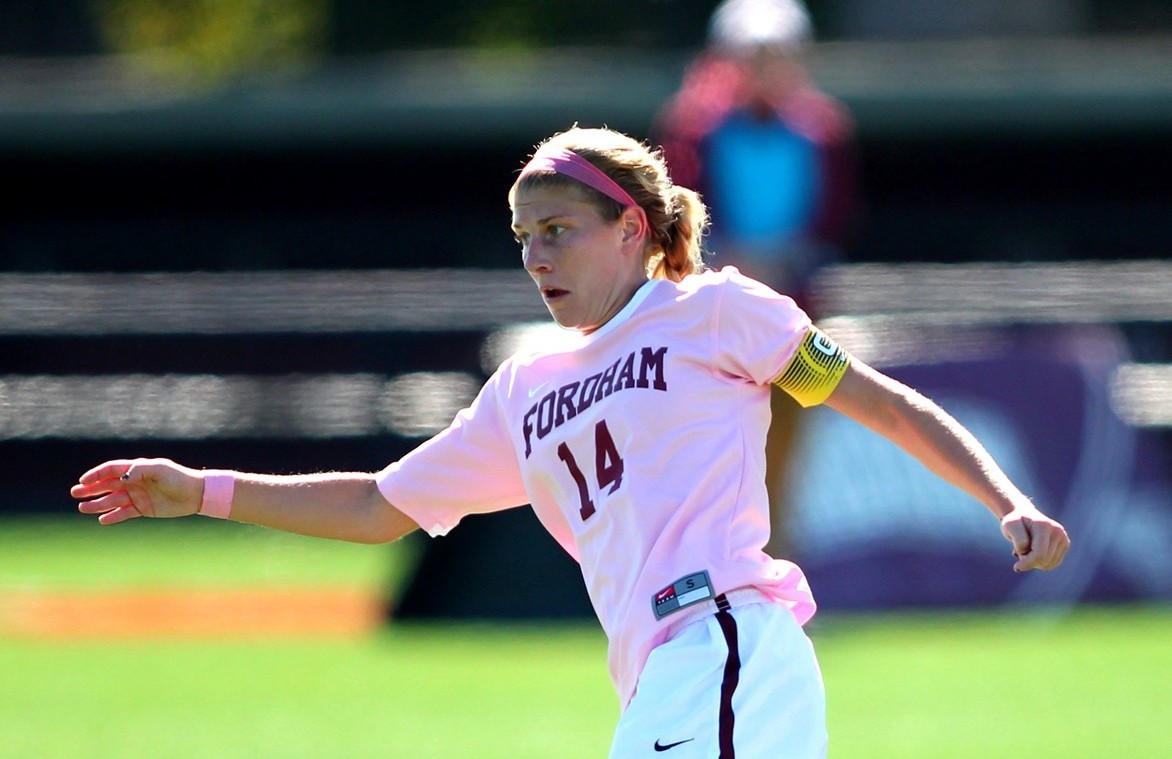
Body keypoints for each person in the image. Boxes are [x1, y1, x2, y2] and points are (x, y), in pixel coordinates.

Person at [72, 126, 1069, 758]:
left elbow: (880, 402)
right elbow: (380, 505)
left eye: (557, 229)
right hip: (662, 674)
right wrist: (202, 489)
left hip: (725, 643)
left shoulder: (716, 312)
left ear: (631, 227)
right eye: (522, 237)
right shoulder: (524, 387)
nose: (535, 254)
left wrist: (1006, 499)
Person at [654, 0, 859, 558]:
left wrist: (788, 260)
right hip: (712, 323)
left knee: (783, 460)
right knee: (712, 459)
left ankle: (776, 576)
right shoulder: (692, 131)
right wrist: (731, 259)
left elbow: (833, 222)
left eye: (778, 55)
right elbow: (679, 217)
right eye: (752, 56)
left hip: (799, 317)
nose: (765, 69)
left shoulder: (826, 133)